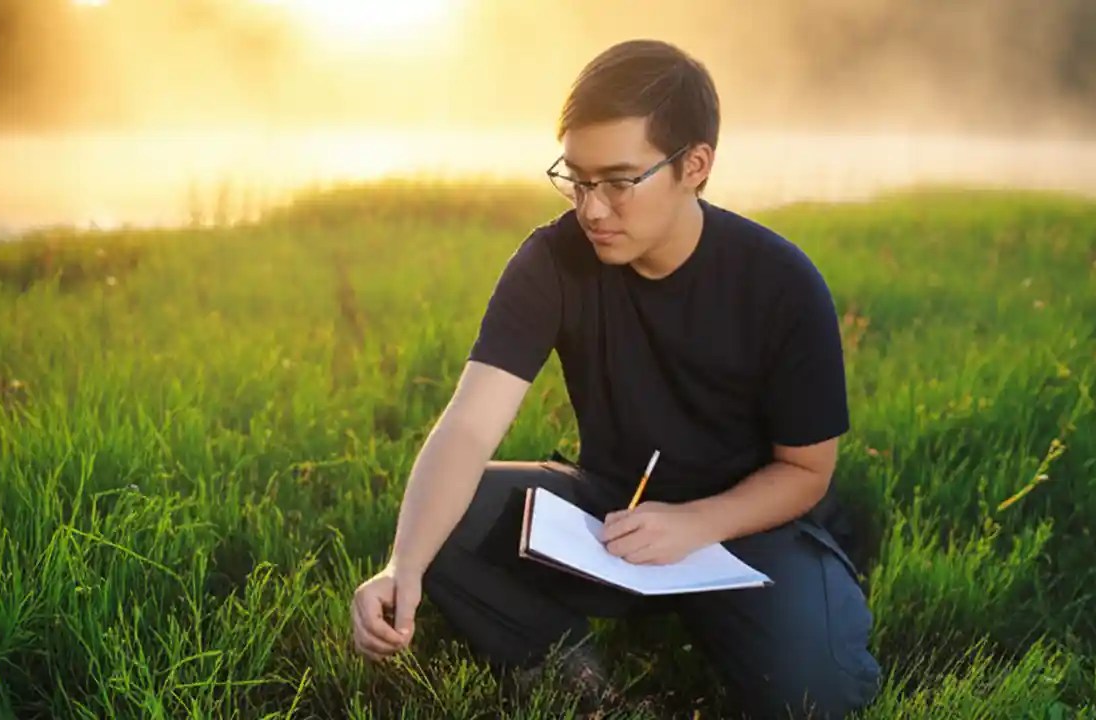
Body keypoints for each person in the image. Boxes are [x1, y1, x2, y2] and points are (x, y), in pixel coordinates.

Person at [351, 38, 882, 719]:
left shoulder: (781, 283)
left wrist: (694, 524)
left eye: (619, 181)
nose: (592, 209)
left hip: (748, 530)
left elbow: (808, 470)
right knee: (443, 515)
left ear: (695, 165)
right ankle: (573, 677)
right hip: (608, 511)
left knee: (821, 692)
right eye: (576, 178)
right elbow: (470, 425)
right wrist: (402, 568)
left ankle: (759, 612)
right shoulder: (551, 261)